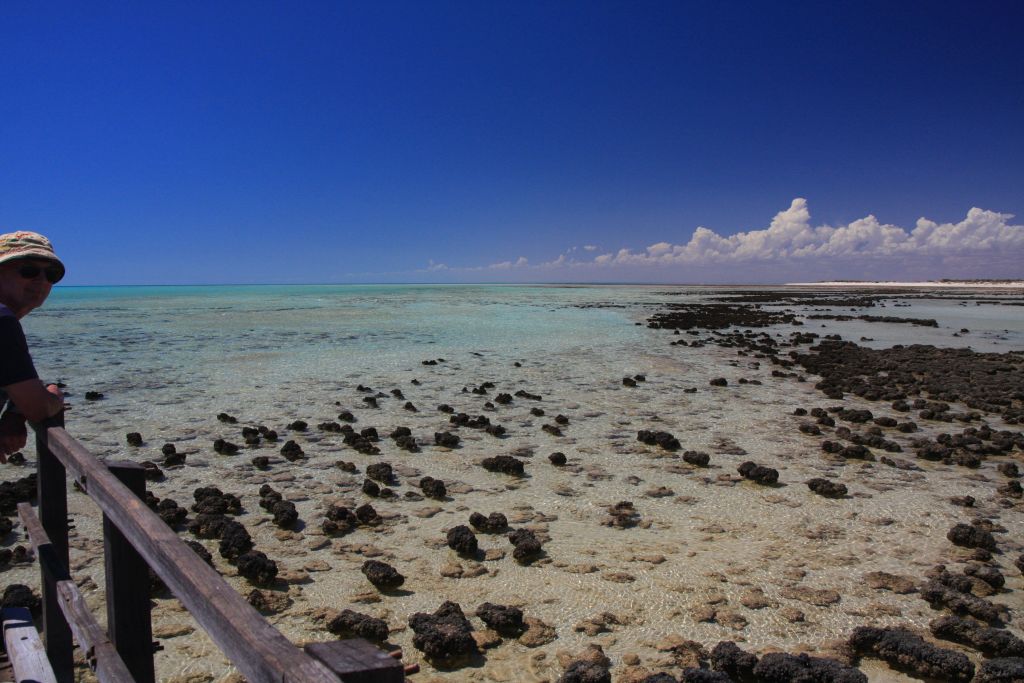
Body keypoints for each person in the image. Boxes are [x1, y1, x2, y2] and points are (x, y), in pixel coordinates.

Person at [0, 231, 66, 462]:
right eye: (28, 270)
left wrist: (16, 413)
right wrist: (55, 396)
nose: (41, 280)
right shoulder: (2, 320)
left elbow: (17, 386)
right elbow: (38, 407)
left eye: (52, 274)